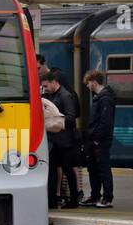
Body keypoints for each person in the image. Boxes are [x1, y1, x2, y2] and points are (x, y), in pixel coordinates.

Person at [41, 70, 80, 209]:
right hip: (52, 140)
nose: (44, 89)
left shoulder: (65, 96)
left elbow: (71, 119)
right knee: (51, 171)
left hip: (65, 140)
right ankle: (51, 200)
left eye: (46, 86)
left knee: (67, 170)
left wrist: (54, 118)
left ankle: (74, 199)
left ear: (54, 82)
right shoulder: (49, 96)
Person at [81, 69, 115, 209]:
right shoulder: (99, 97)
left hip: (100, 140)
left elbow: (105, 122)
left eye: (88, 83)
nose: (87, 86)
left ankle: (107, 197)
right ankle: (95, 195)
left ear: (94, 82)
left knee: (103, 168)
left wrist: (96, 138)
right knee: (93, 168)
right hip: (94, 139)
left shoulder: (105, 98)